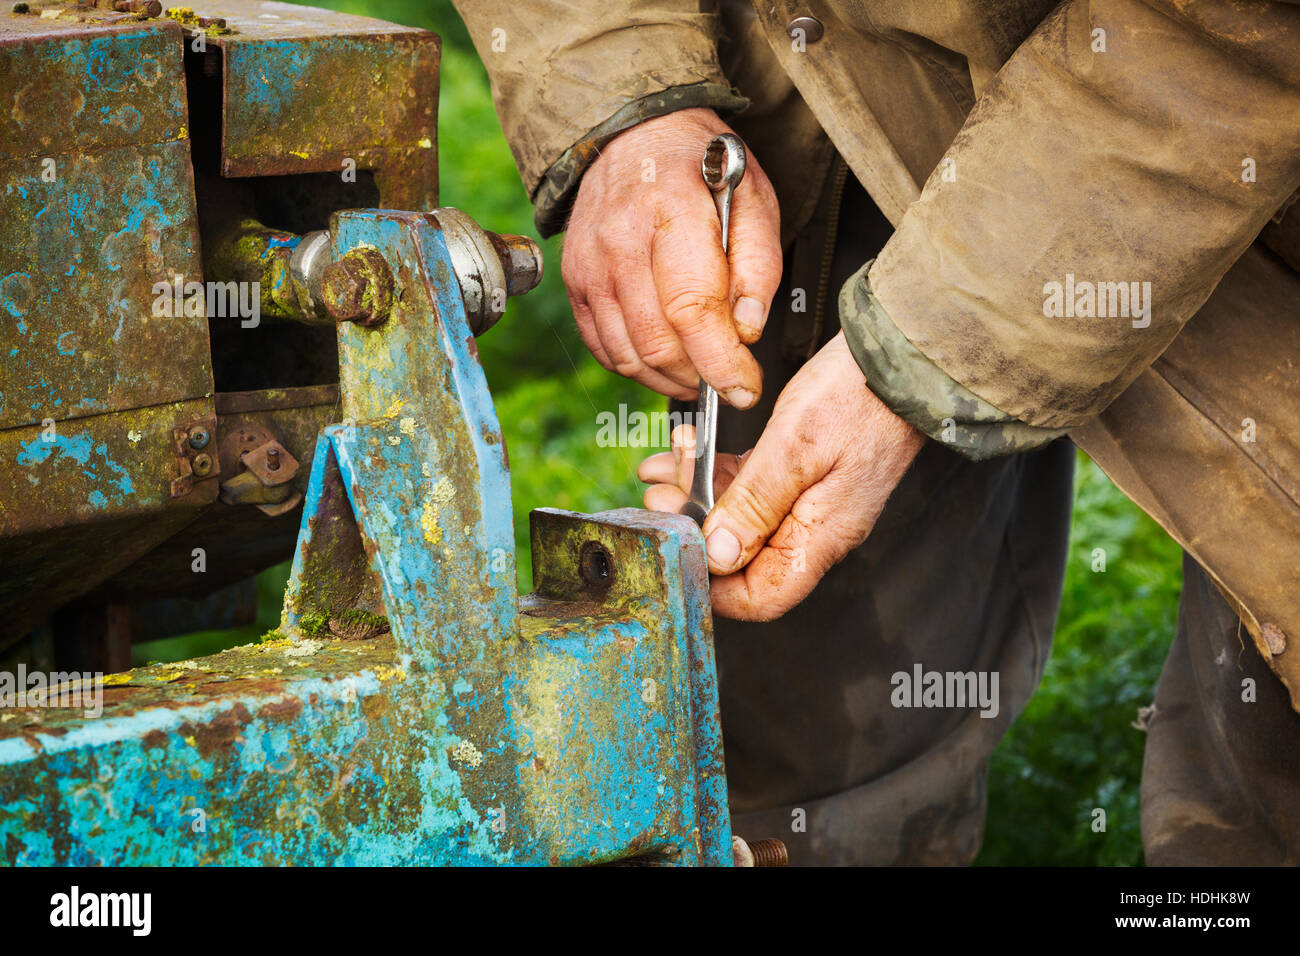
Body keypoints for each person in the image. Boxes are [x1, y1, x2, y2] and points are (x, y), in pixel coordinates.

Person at [453, 0, 1300, 864]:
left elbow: (1236, 41)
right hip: (803, 89)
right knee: (794, 736)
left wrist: (913, 356)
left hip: (1214, 124)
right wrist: (630, 104)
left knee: (1263, 762)